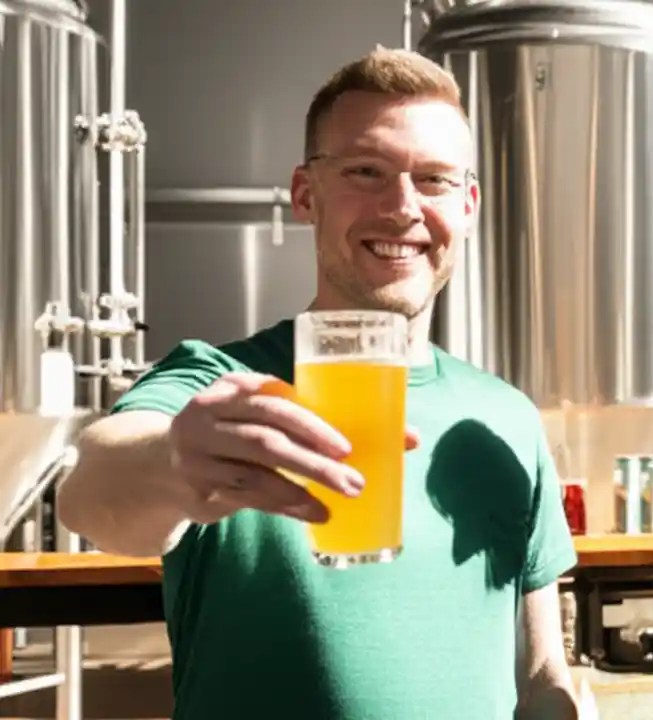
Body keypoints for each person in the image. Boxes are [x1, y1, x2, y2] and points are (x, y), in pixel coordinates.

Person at [56, 48, 581, 720]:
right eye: (367, 171)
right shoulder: (223, 386)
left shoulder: (504, 415)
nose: (402, 207)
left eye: (435, 180)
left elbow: (539, 671)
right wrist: (173, 461)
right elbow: (89, 492)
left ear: (469, 205)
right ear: (306, 193)